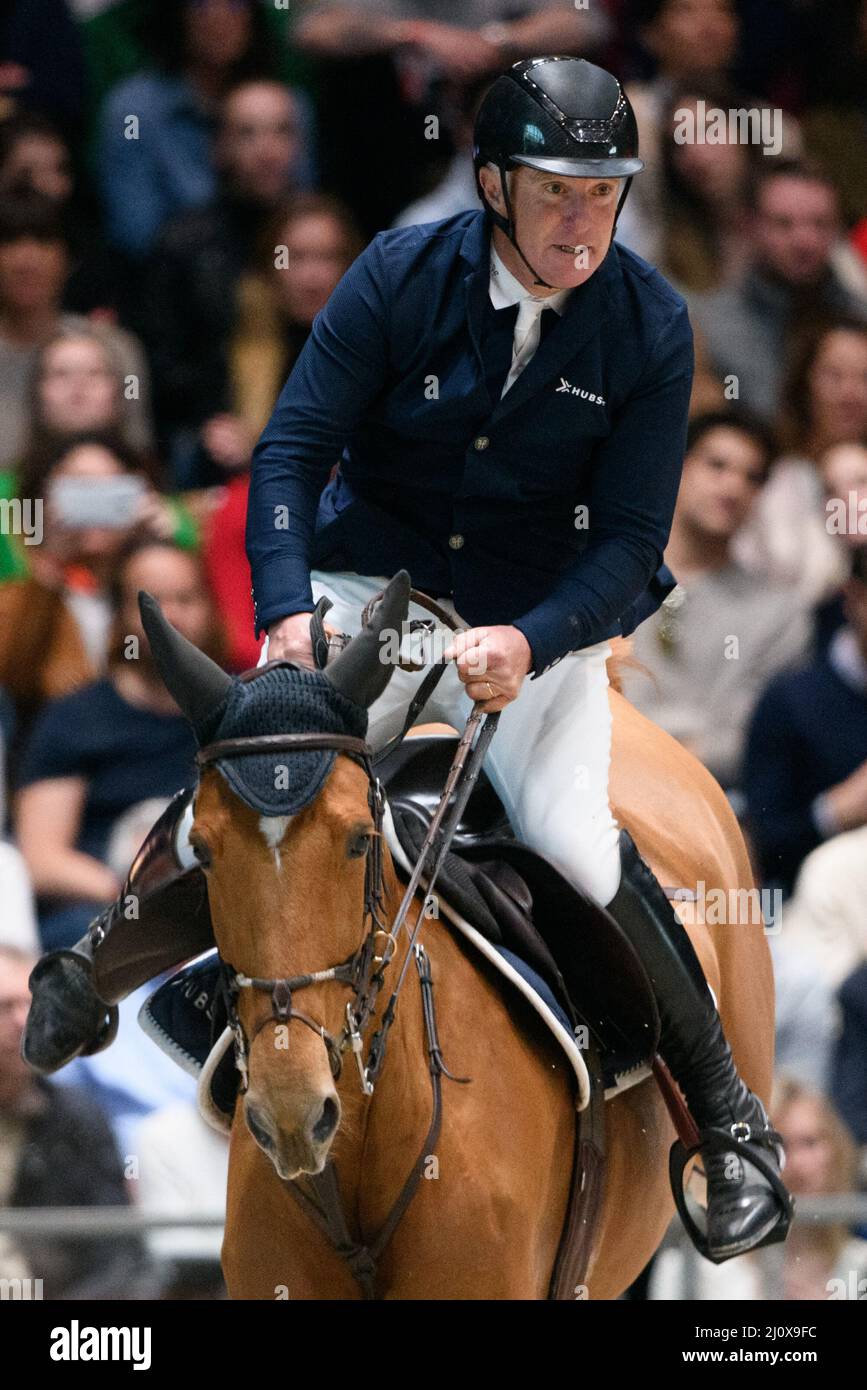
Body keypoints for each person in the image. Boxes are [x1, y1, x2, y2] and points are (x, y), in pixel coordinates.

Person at [23, 56, 791, 1264]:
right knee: (263, 772)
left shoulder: (650, 321)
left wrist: (530, 639)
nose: (583, 221)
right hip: (363, 597)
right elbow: (287, 455)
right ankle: (92, 974)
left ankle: (732, 1125)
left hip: (531, 629)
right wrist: (285, 613)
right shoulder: (397, 274)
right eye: (555, 193)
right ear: (490, 184)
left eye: (605, 193)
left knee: (581, 847)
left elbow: (637, 542)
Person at [14, 538, 218, 951]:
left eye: (186, 598)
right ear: (120, 614)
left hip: (219, 899)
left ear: (211, 608)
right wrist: (137, 892)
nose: (171, 616)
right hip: (103, 907)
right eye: (152, 601)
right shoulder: (75, 718)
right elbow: (41, 858)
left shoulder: (238, 711)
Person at [624, 410, 810, 796]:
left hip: (712, 797)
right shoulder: (611, 581)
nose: (733, 487)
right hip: (601, 775)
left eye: (752, 477)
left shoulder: (780, 612)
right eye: (717, 465)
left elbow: (757, 734)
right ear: (678, 466)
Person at [140, 78, 312, 483]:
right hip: (209, 435)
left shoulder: (323, 232)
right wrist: (219, 424)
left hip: (308, 431)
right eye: (248, 133)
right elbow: (162, 366)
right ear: (218, 147)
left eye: (282, 131)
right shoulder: (183, 242)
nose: (267, 150)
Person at [0, 945, 155, 1299]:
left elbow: (119, 1257)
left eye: (30, 1006)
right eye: (5, 1008)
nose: (23, 1022)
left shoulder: (76, 1118)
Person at [689, 161, 867, 424]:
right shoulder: (709, 328)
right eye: (784, 224)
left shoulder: (860, 321)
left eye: (819, 224)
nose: (804, 241)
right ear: (751, 226)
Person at [744, 545, 867, 898]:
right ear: (853, 597)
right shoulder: (791, 701)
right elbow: (764, 848)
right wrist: (834, 813)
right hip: (810, 916)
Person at [731, 321, 867, 606]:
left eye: (864, 378)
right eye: (834, 375)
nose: (849, 394)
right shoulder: (769, 474)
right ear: (806, 383)